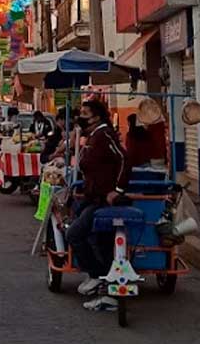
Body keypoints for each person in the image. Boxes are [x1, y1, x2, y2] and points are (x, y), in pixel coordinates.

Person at [65, 99, 129, 312]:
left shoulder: (105, 135)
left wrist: (117, 191)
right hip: (91, 197)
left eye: (85, 113)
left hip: (103, 200)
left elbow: (123, 159)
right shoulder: (92, 136)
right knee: (97, 240)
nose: (81, 116)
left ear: (98, 116)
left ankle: (97, 275)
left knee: (74, 234)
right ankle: (104, 282)